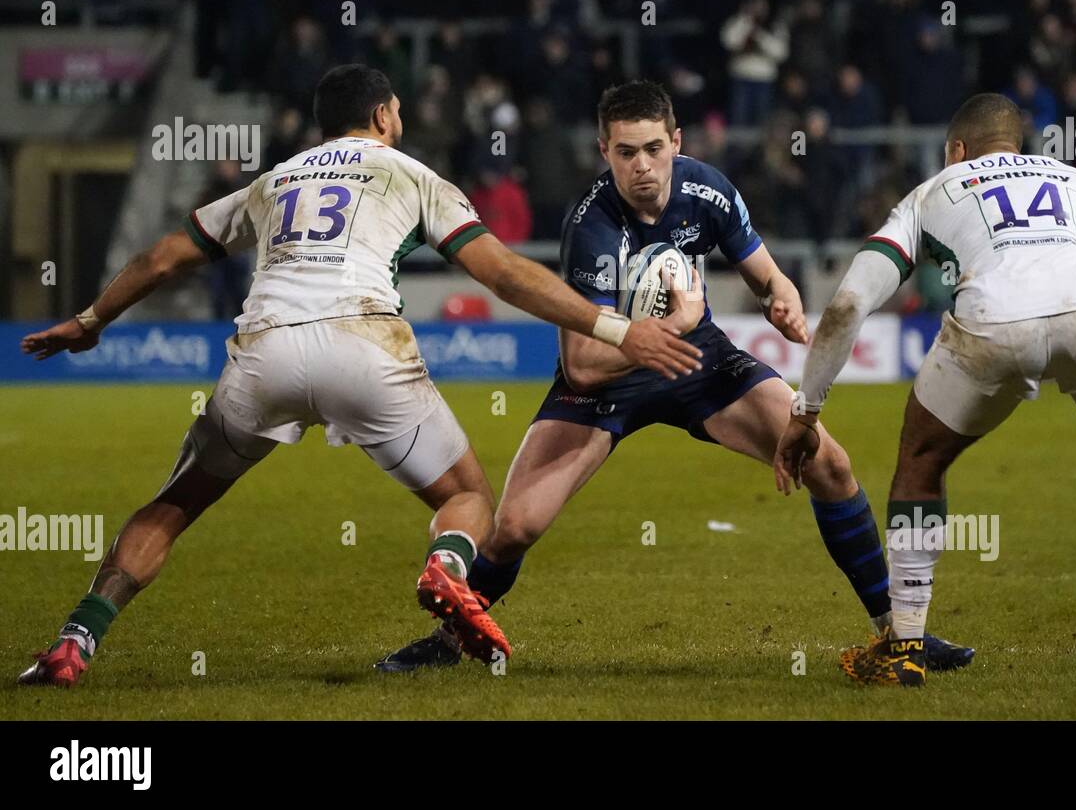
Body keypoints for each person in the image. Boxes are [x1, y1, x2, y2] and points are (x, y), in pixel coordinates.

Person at [17, 65, 702, 687]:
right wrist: (616, 328)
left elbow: (165, 256)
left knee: (170, 507)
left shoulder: (274, 180)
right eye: (396, 112)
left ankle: (75, 642)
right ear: (383, 117)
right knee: (465, 498)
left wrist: (91, 318)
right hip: (365, 348)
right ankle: (446, 567)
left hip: (263, 354)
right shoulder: (409, 173)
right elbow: (502, 273)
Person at [376, 81, 973, 673]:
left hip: (700, 363)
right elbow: (583, 366)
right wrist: (673, 326)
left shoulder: (707, 190)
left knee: (829, 463)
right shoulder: (590, 227)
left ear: (676, 141)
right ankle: (449, 641)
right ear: (603, 150)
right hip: (607, 383)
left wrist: (781, 299)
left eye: (654, 149)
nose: (643, 166)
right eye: (626, 152)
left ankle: (899, 632)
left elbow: (767, 275)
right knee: (515, 526)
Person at [775, 93, 1076, 693]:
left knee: (921, 465)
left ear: (957, 150)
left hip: (992, 325)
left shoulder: (935, 190)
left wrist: (808, 409)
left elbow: (850, 303)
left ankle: (904, 646)